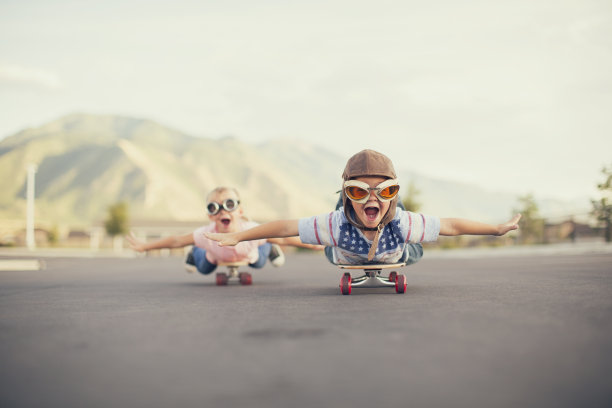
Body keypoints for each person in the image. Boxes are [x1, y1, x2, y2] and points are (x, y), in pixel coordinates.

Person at [204, 150, 521, 266]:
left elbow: (451, 226)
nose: (372, 198)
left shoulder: (404, 224)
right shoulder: (334, 225)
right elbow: (285, 227)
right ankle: (352, 201)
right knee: (331, 236)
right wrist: (239, 237)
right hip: (343, 250)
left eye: (385, 191)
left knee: (413, 247)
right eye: (358, 190)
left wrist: (495, 229)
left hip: (395, 249)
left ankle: (386, 202)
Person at [126, 186, 319, 275]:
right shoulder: (207, 235)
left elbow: (284, 239)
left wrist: (313, 244)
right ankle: (195, 253)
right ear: (210, 215)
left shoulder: (251, 230)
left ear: (240, 211)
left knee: (260, 260)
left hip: (249, 254)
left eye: (229, 204)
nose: (222, 212)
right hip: (214, 257)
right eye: (214, 207)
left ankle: (268, 248)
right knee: (203, 268)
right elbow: (176, 241)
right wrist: (145, 246)